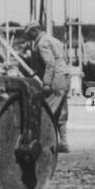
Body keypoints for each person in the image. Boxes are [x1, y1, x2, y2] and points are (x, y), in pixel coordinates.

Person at [22, 24, 71, 153]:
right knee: (61, 111)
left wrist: (47, 83)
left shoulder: (42, 43)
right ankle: (64, 143)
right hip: (65, 75)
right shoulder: (53, 40)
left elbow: (50, 63)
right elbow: (64, 58)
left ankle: (43, 142)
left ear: (35, 30)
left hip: (56, 77)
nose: (28, 37)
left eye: (29, 34)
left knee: (46, 110)